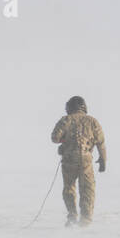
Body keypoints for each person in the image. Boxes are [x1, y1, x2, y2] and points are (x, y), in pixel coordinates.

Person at [50, 96, 106, 227]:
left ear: (69, 108)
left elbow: (54, 138)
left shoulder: (66, 120)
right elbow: (101, 143)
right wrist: (103, 160)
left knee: (69, 188)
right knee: (87, 189)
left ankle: (72, 216)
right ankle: (85, 221)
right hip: (86, 160)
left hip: (69, 159)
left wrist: (65, 140)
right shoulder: (93, 122)